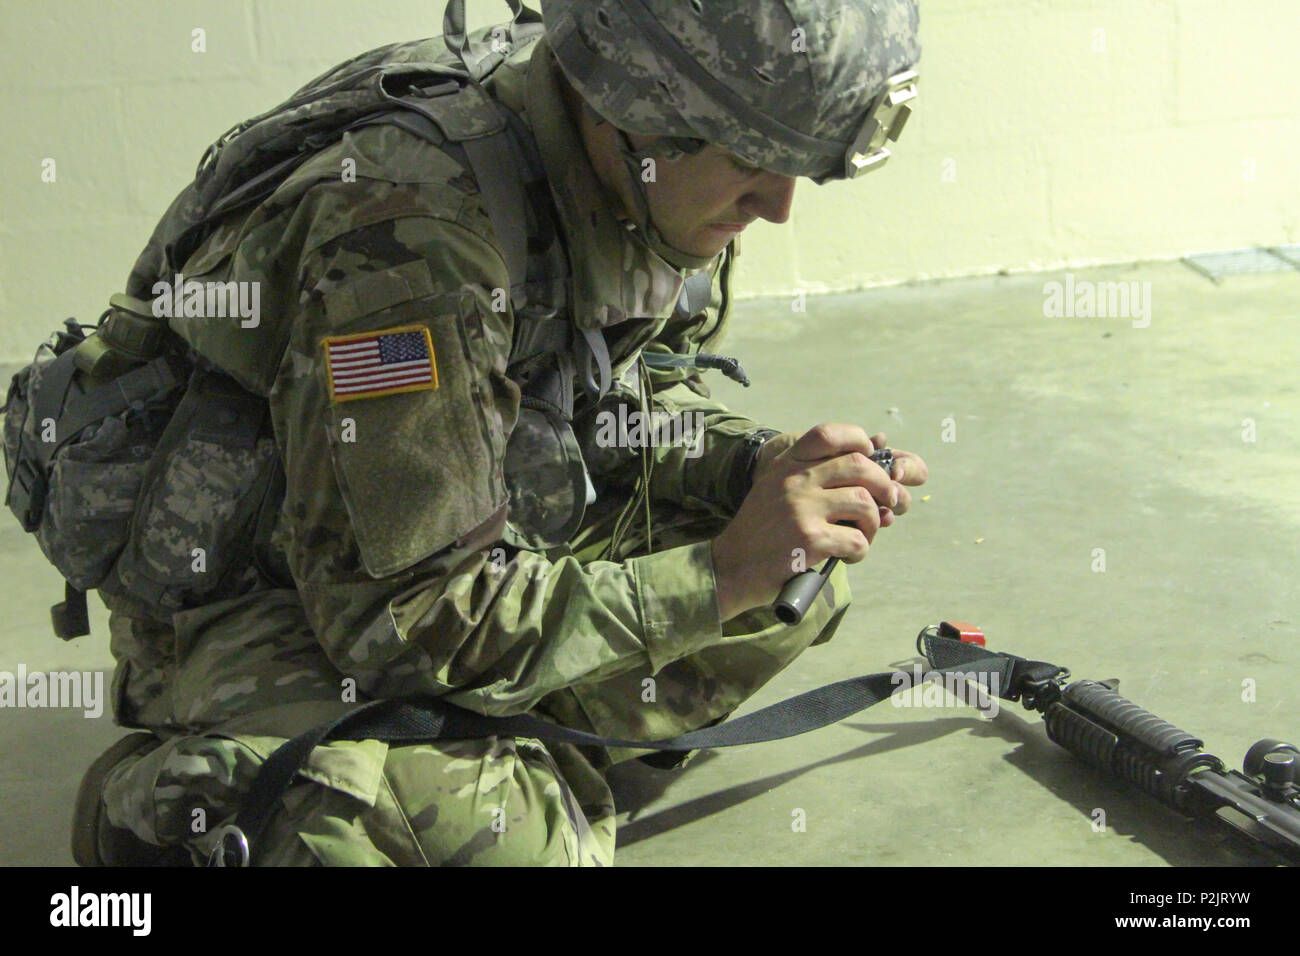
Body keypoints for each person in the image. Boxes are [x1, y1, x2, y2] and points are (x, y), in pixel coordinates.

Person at [81, 0, 927, 866]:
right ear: (635, 113)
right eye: (750, 160)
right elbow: (397, 617)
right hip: (276, 592)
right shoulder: (410, 244)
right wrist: (715, 576)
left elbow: (607, 405)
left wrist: (751, 469)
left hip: (462, 521)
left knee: (801, 568)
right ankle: (184, 800)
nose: (778, 206)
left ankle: (476, 740)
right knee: (517, 847)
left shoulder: (635, 166)